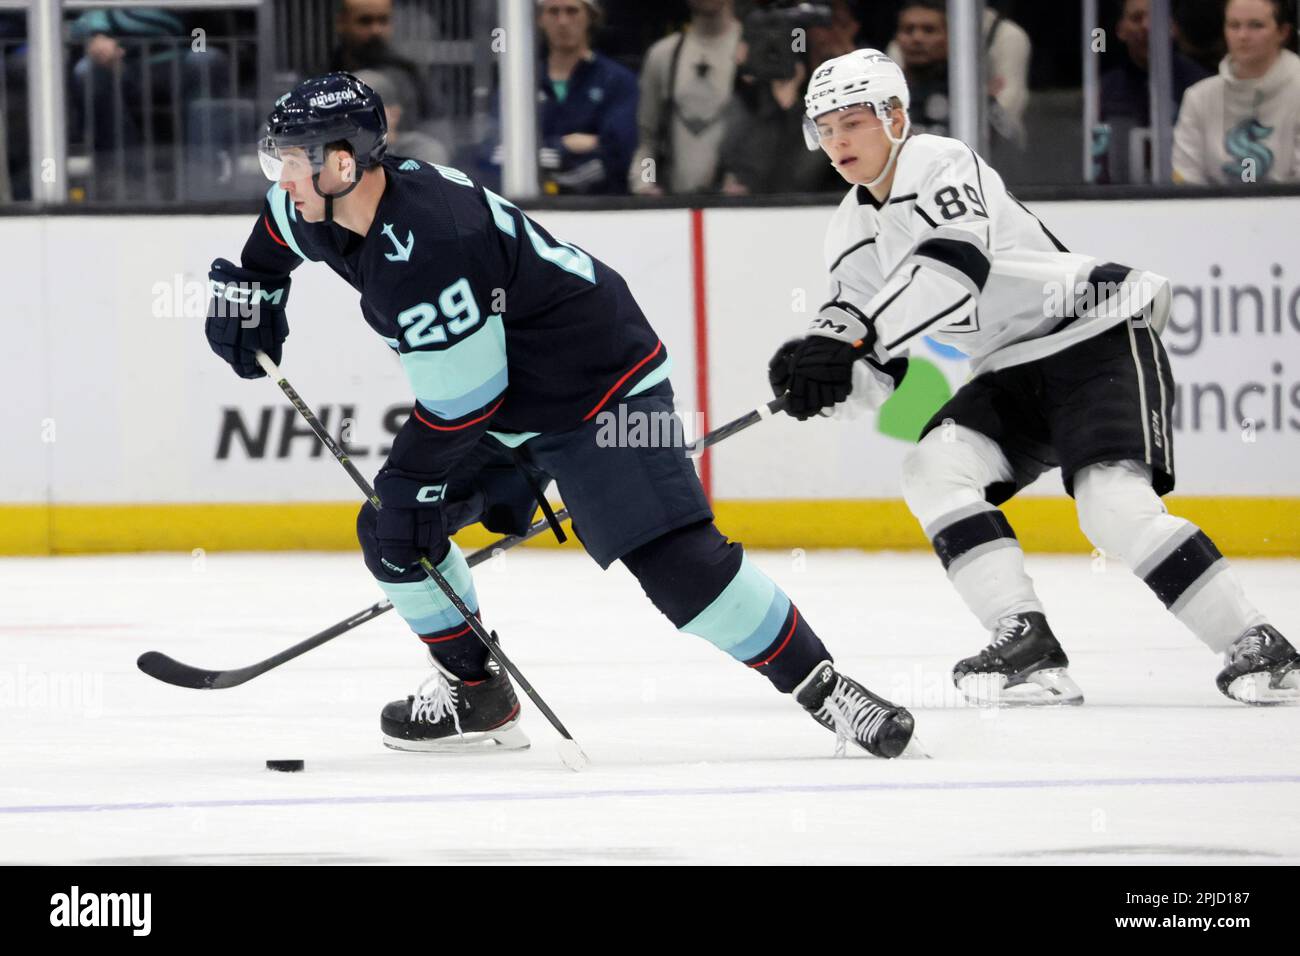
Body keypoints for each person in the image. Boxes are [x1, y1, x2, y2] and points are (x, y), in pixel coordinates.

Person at [204, 72, 916, 758]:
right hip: (503, 401)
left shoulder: (434, 243)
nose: (281, 178)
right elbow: (270, 241)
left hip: (601, 388)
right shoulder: (318, 206)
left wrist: (410, 484)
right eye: (278, 159)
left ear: (342, 162)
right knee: (392, 533)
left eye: (292, 161)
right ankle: (477, 694)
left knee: (676, 564)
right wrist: (253, 291)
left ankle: (828, 690)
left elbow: (466, 400)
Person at [769, 49, 1299, 706]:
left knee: (1110, 505)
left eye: (852, 122)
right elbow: (879, 365)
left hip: (1094, 335)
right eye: (824, 129)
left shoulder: (938, 161)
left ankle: (1256, 640)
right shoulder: (849, 229)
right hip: (1008, 369)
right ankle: (1025, 640)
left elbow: (955, 267)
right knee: (932, 468)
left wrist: (849, 342)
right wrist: (827, 386)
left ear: (896, 117)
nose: (838, 141)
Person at [1173, 0, 1300, 184]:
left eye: (1256, 25)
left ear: (1283, 32)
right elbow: (1186, 179)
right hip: (1213, 203)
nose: (1242, 35)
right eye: (1234, 25)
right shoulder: (1198, 97)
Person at [629, 0, 742, 194]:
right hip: (676, 203)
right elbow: (648, 143)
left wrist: (751, 183)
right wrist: (646, 184)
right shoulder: (662, 55)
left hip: (743, 204)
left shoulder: (756, 51)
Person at [888, 0, 1030, 148]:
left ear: (952, 38)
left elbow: (1010, 147)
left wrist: (987, 102)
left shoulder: (973, 100)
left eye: (929, 30)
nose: (917, 38)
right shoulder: (884, 94)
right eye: (908, 30)